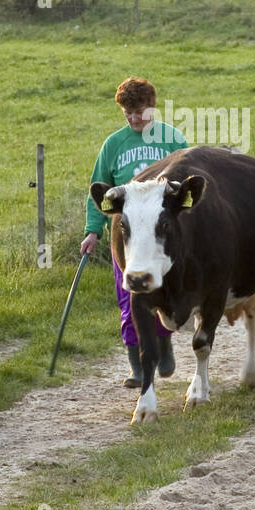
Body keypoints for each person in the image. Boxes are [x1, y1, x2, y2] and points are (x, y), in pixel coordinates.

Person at [82, 77, 190, 387]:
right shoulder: (114, 145)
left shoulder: (172, 140)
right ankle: (138, 367)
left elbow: (185, 184)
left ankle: (165, 346)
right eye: (128, 112)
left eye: (139, 111)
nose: (134, 118)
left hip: (159, 238)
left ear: (152, 107)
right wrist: (93, 231)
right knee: (128, 299)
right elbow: (99, 189)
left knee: (163, 296)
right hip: (126, 237)